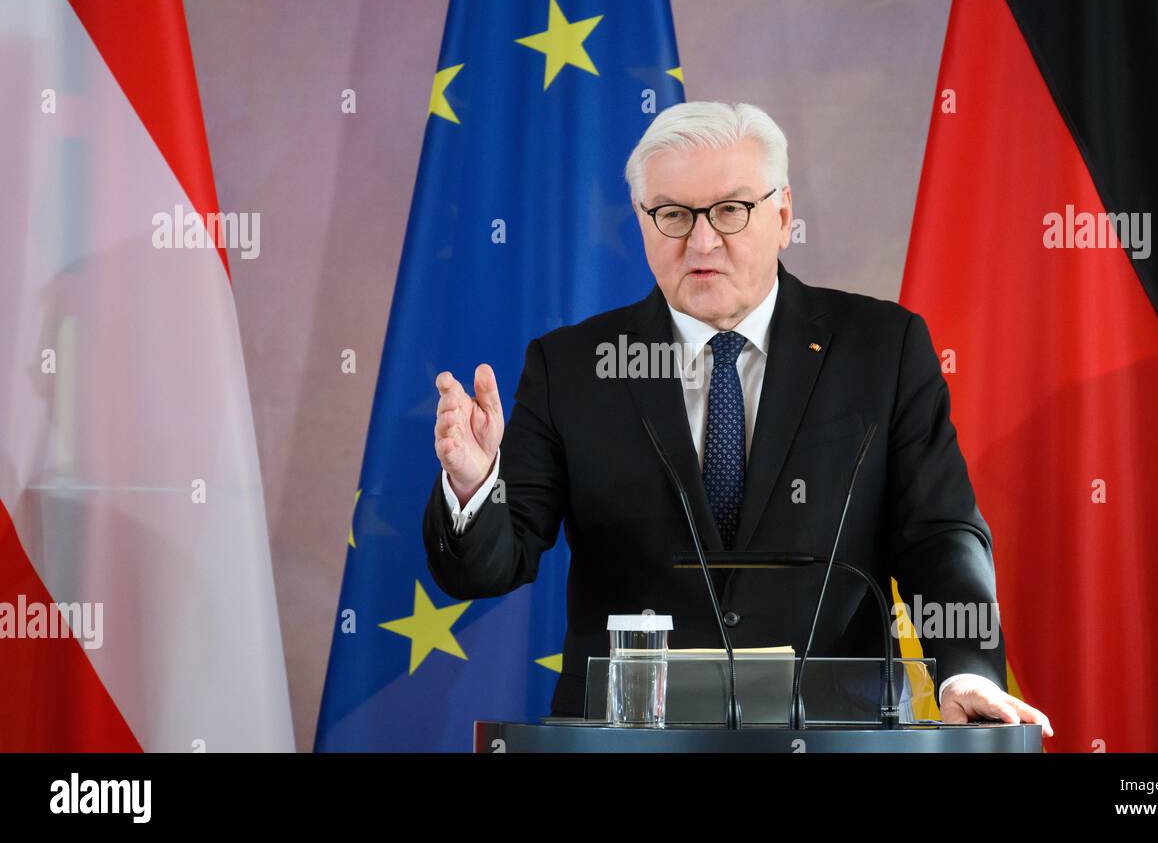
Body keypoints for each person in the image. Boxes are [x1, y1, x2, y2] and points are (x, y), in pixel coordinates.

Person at [425, 100, 1052, 735]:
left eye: (729, 210)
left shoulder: (880, 349)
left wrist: (966, 670)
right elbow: (491, 566)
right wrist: (475, 490)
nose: (702, 242)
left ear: (782, 215)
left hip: (835, 737)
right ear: (643, 222)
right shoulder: (574, 366)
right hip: (634, 741)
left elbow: (938, 536)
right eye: (672, 214)